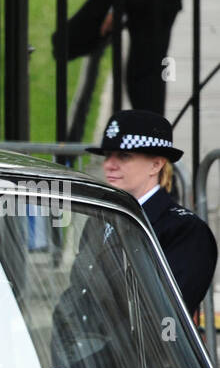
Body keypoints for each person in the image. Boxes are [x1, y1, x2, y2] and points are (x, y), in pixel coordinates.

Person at [88, 109, 216, 314]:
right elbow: (78, 292)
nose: (110, 165)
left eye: (124, 156)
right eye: (107, 155)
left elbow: (165, 313)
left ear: (156, 164)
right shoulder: (100, 218)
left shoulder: (185, 231)